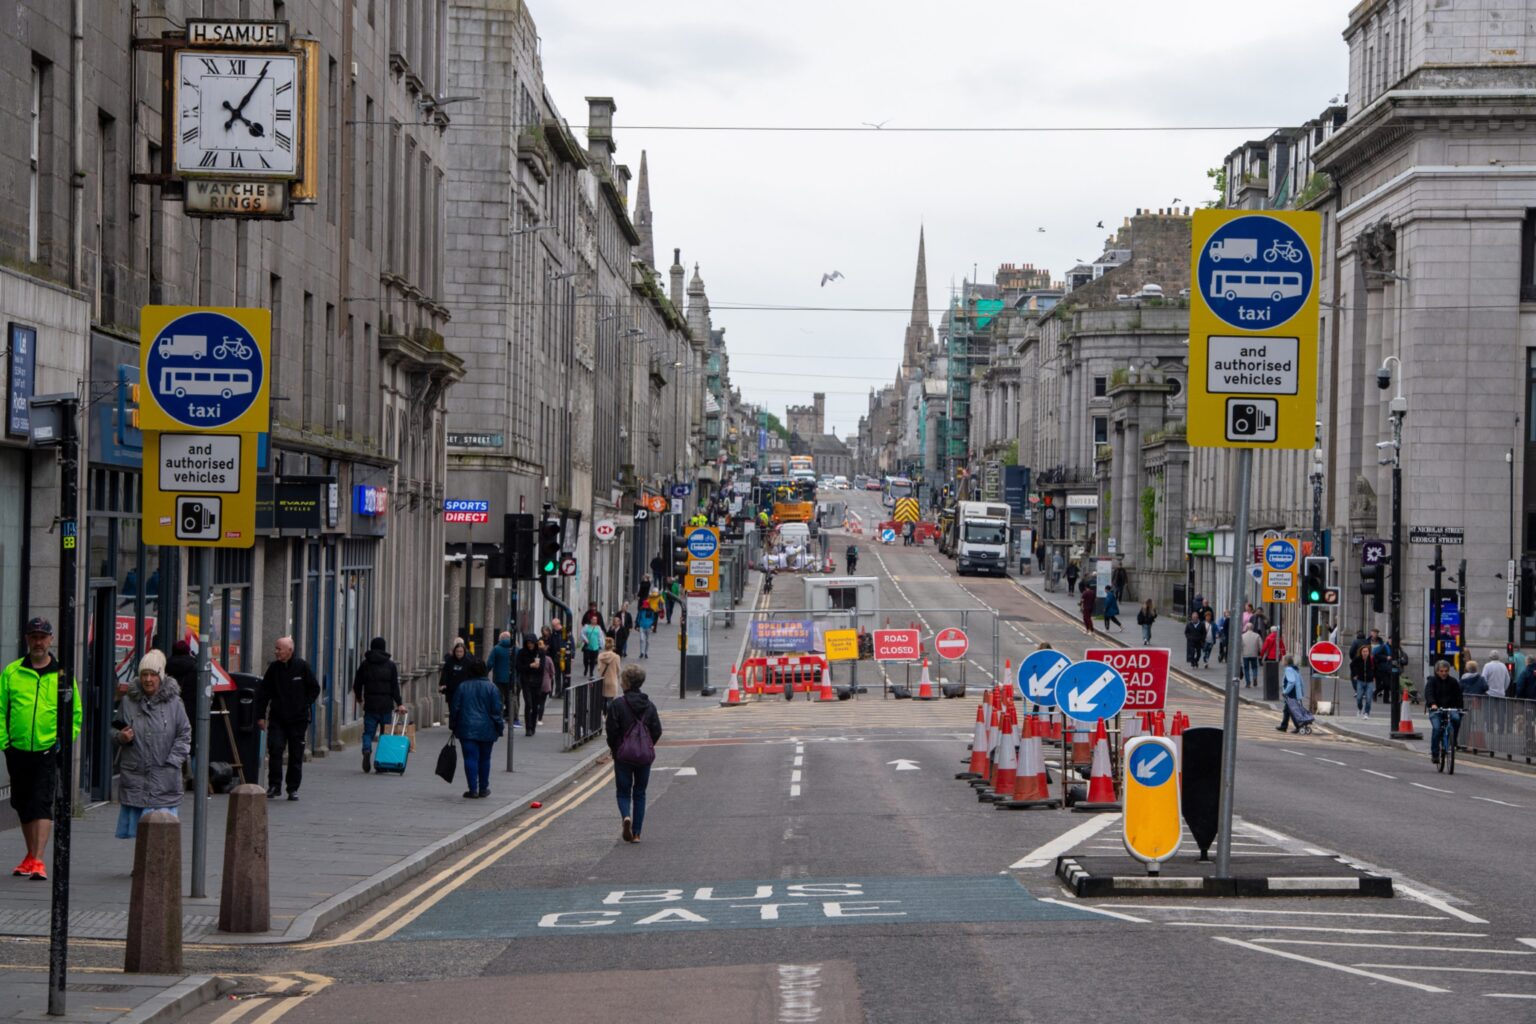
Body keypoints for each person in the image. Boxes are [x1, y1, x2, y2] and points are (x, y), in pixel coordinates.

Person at [1, 618, 81, 880]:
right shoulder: (13, 672)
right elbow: (1, 708)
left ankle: (38, 860)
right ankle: (30, 856)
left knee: (41, 803)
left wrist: (63, 741)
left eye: (42, 637)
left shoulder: (62, 675)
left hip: (47, 750)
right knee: (22, 804)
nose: (38, 642)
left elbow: (75, 713)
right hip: (17, 749)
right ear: (27, 639)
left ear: (51, 640)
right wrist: (4, 742)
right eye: (34, 637)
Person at [113, 650, 191, 840]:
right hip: (136, 778)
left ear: (161, 676)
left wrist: (173, 761)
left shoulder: (174, 703)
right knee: (140, 836)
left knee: (162, 835)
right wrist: (120, 737)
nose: (148, 679)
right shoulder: (128, 701)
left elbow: (184, 734)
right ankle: (140, 861)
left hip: (164, 778)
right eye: (144, 674)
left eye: (153, 674)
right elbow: (113, 729)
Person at [255, 637, 321, 800]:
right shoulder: (273, 669)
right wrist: (260, 716)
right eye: (276, 648)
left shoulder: (302, 667)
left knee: (296, 754)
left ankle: (292, 788)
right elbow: (263, 694)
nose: (276, 652)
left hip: (298, 720)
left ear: (290, 651)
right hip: (278, 718)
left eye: (279, 649)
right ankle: (274, 785)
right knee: (275, 749)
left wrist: (304, 704)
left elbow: (314, 688)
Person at [606, 665, 663, 844]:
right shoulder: (649, 706)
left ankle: (626, 816)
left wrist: (616, 749)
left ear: (626, 683)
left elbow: (611, 731)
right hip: (643, 758)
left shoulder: (617, 705)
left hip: (623, 755)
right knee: (640, 792)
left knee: (623, 792)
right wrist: (646, 746)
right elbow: (657, 730)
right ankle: (637, 833)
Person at [450, 656, 503, 799]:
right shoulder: (492, 687)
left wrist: (453, 725)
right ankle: (483, 788)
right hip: (487, 728)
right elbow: (496, 711)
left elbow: (455, 708)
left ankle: (472, 789)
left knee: (470, 758)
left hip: (466, 728)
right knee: (485, 759)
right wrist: (499, 727)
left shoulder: (462, 686)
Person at [352, 636, 405, 774]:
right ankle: (381, 762)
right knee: (385, 735)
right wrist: (399, 703)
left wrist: (359, 698)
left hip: (370, 705)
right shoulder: (390, 665)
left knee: (368, 732)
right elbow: (394, 687)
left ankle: (367, 749)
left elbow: (357, 684)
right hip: (386, 705)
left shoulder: (365, 664)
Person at [1425, 659, 1464, 765]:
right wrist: (1433, 704)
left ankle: (1453, 740)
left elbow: (1459, 696)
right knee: (1437, 729)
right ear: (1437, 671)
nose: (1444, 673)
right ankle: (1435, 754)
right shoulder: (1432, 681)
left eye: (1446, 671)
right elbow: (1429, 693)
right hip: (1436, 710)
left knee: (1456, 719)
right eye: (1441, 671)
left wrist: (1460, 708)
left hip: (1450, 709)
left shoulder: (1453, 682)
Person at [486, 630, 518, 728]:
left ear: (500, 639)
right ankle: (513, 717)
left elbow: (490, 663)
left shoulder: (496, 649)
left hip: (498, 678)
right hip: (512, 678)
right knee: (511, 698)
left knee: (499, 698)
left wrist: (484, 674)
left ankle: (499, 716)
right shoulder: (515, 649)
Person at [516, 635, 544, 737]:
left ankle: (533, 727)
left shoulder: (540, 652)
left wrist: (538, 666)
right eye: (528, 643)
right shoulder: (522, 653)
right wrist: (530, 666)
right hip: (526, 681)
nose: (530, 645)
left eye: (531, 643)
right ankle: (528, 728)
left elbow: (542, 668)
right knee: (529, 704)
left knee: (535, 705)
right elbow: (518, 667)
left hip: (537, 682)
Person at [438, 639, 471, 709]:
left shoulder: (468, 662)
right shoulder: (449, 661)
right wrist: (442, 684)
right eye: (457, 651)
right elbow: (445, 673)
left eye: (461, 652)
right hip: (451, 690)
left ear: (464, 652)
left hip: (464, 691)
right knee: (452, 709)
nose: (459, 654)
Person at [1276, 655, 1305, 733]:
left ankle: (1299, 726)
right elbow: (1301, 681)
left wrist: (1285, 692)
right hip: (1295, 692)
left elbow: (1292, 682)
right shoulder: (1295, 668)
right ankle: (1283, 726)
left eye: (1283, 660)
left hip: (1291, 693)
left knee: (1291, 710)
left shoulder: (1288, 669)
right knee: (1287, 710)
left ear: (1286, 661)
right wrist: (1301, 692)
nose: (1282, 661)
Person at [1349, 636, 1374, 718]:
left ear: (1368, 652)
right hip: (1360, 680)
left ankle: (1366, 713)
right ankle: (1360, 709)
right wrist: (1355, 674)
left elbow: (1376, 668)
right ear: (1361, 652)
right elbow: (1351, 666)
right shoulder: (1357, 659)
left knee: (1369, 698)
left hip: (1369, 681)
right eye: (1363, 651)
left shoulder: (1371, 659)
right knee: (1359, 698)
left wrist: (1374, 676)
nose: (1365, 653)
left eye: (1366, 651)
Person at [596, 637, 623, 705]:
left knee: (602, 702)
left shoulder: (600, 656)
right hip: (612, 681)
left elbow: (599, 668)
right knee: (610, 703)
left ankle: (603, 711)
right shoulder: (616, 657)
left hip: (602, 681)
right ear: (613, 646)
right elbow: (618, 670)